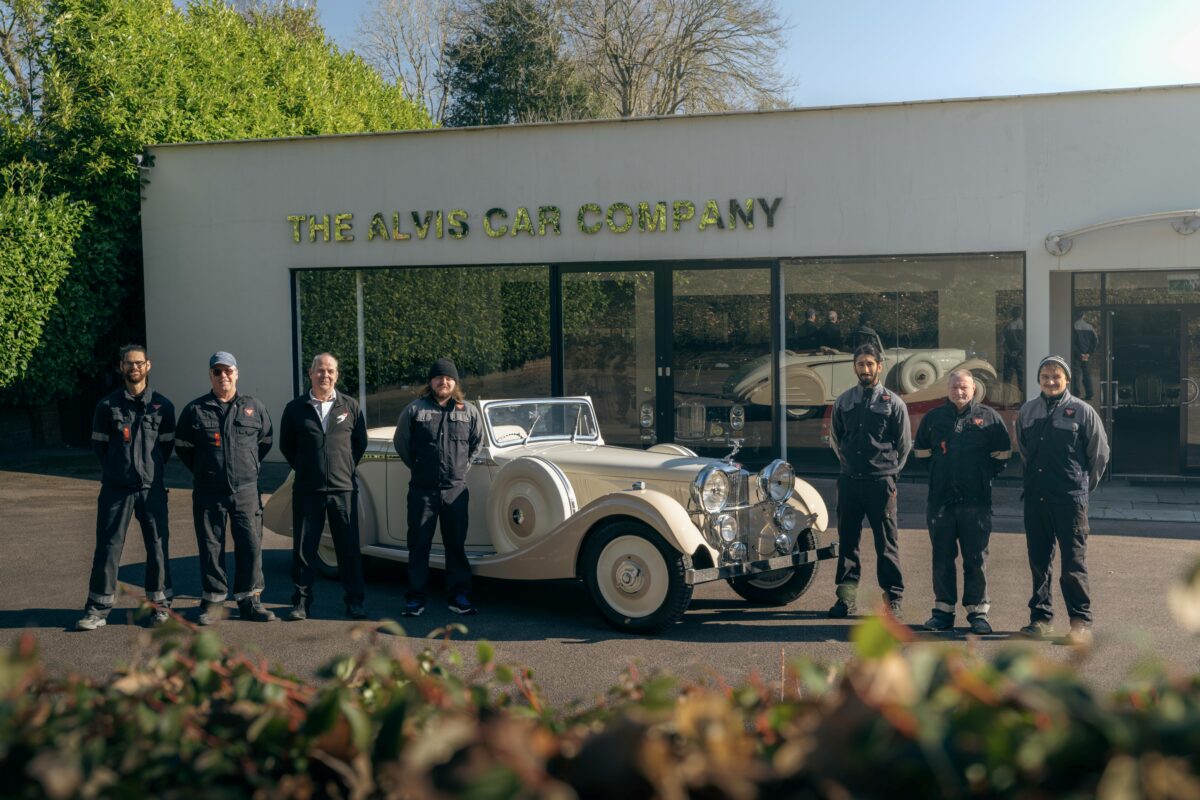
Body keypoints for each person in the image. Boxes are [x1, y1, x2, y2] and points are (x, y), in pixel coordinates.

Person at [77, 345, 176, 631]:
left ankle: (160, 607)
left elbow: (166, 447)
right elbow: (101, 447)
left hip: (151, 488)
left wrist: (148, 469)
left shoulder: (163, 406)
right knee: (108, 548)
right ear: (121, 367)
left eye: (139, 363)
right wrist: (119, 470)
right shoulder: (107, 406)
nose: (134, 368)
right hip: (116, 489)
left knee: (157, 547)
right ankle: (97, 609)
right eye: (129, 364)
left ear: (148, 366)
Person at [175, 352, 276, 624]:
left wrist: (248, 467)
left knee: (250, 545)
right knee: (211, 547)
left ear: (237, 373)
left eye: (228, 371)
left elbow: (265, 440)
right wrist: (206, 471)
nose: (223, 376)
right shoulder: (195, 410)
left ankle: (250, 600)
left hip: (246, 491)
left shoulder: (253, 406)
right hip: (209, 491)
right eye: (217, 372)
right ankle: (213, 601)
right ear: (210, 375)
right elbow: (184, 447)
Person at [1016, 355, 1109, 646]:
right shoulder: (1028, 411)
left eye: (1056, 376)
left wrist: (1081, 488)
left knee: (1073, 565)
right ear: (1039, 380)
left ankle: (1080, 623)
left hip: (1070, 501)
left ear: (1067, 379)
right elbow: (1024, 451)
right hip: (1036, 499)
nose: (1051, 381)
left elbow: (1099, 455)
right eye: (1045, 376)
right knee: (1039, 562)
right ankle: (1040, 619)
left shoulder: (1083, 411)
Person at [913, 369, 1012, 635]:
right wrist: (941, 474)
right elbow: (922, 453)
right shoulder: (934, 418)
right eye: (955, 387)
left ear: (974, 389)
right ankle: (943, 612)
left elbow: (1002, 455)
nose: (960, 391)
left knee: (976, 558)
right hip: (941, 501)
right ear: (948, 389)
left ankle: (978, 613)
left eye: (965, 387)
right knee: (942, 557)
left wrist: (980, 476)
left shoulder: (989, 418)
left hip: (976, 502)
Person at [279, 353, 369, 621]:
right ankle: (301, 603)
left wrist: (343, 468)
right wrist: (309, 468)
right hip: (308, 490)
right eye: (320, 370)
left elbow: (359, 444)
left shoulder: (350, 406)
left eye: (330, 371)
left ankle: (354, 602)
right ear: (310, 373)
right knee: (305, 550)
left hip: (343, 491)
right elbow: (287, 446)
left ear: (337, 375)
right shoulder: (295, 408)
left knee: (349, 550)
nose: (325, 375)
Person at [392, 358, 483, 617]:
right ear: (430, 381)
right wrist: (421, 468)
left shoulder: (469, 411)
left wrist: (459, 469)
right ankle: (416, 599)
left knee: (456, 545)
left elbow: (477, 443)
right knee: (419, 545)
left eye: (449, 378)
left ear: (455, 382)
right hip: (423, 491)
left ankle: (459, 596)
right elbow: (402, 444)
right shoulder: (414, 410)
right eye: (439, 378)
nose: (444, 382)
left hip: (455, 491)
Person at [827, 343, 912, 619]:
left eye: (870, 364)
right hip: (850, 482)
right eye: (861, 364)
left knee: (886, 544)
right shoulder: (844, 401)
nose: (865, 369)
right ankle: (846, 600)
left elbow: (904, 445)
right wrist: (849, 465)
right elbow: (836, 440)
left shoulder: (893, 403)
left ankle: (893, 601)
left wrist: (889, 474)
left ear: (879, 366)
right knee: (848, 542)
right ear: (855, 367)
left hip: (881, 483)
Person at [1071, 313, 1098, 400]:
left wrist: (1079, 354)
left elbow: (1072, 343)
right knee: (1087, 374)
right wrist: (1088, 354)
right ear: (1083, 316)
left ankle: (1076, 395)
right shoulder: (1090, 327)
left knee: (1076, 375)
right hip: (1087, 356)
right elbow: (1095, 342)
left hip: (1076, 356)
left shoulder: (1073, 326)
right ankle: (1090, 394)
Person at [1002, 308, 1025, 393]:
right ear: (1021, 314)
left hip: (1010, 355)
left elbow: (1003, 342)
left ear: (1012, 314)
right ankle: (1022, 400)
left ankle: (1006, 402)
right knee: (1022, 379)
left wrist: (1009, 352)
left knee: (1007, 379)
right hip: (1021, 356)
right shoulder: (1025, 325)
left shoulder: (1008, 326)